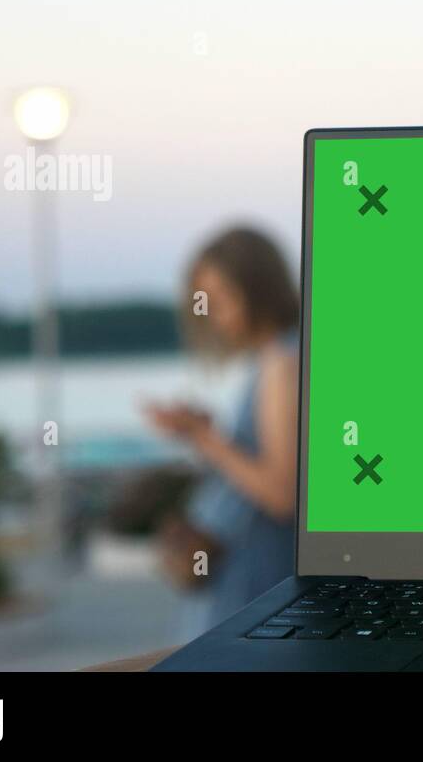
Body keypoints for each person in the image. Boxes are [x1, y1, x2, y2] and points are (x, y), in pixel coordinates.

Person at [145, 225, 300, 636]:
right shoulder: (278, 356)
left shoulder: (281, 363)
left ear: (258, 290)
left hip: (252, 591)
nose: (212, 314)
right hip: (247, 586)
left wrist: (203, 437)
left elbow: (283, 492)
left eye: (219, 299)